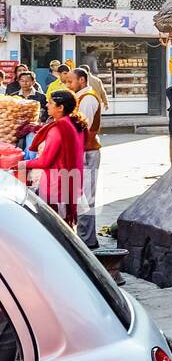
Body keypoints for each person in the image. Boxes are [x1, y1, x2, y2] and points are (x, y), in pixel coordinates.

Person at [21, 89, 87, 230]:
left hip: (56, 184)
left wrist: (21, 163)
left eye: (50, 103)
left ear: (60, 107)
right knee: (66, 228)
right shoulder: (76, 124)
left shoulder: (57, 129)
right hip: (72, 180)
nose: (47, 105)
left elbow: (45, 161)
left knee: (54, 228)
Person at [68, 67, 103, 248]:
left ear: (81, 80)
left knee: (86, 198)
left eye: (70, 81)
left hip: (87, 151)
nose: (68, 85)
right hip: (83, 151)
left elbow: (83, 129)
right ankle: (85, 237)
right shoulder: (80, 97)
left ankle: (87, 240)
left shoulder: (88, 98)